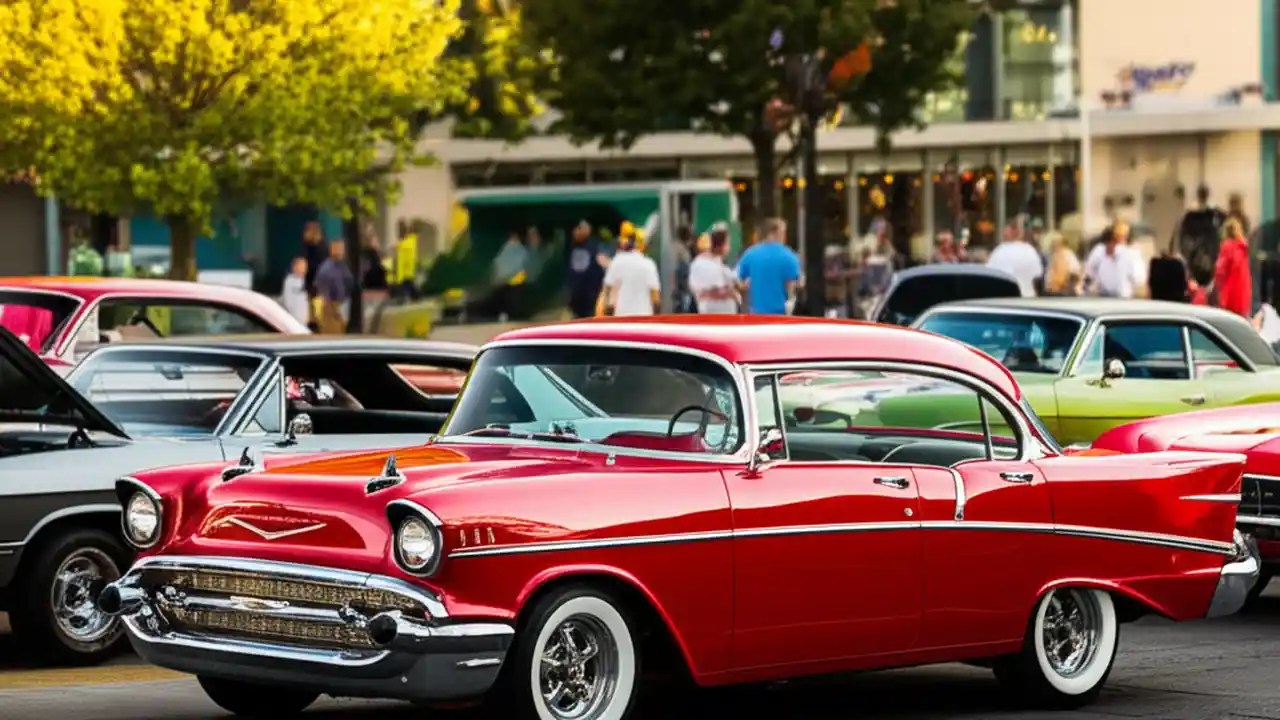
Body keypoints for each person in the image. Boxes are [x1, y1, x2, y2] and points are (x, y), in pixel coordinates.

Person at [737, 218, 801, 315]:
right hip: (780, 314)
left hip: (755, 314)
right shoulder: (789, 256)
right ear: (775, 233)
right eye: (783, 233)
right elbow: (791, 287)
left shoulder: (749, 255)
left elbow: (739, 283)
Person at [598, 224, 660, 316]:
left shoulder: (617, 261)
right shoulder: (649, 264)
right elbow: (655, 299)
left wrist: (607, 311)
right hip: (644, 317)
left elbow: (607, 289)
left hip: (621, 317)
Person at [1083, 224, 1143, 298]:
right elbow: (1089, 272)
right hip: (1103, 295)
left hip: (1123, 297)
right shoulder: (1099, 251)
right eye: (1110, 241)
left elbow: (1139, 278)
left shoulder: (1131, 254)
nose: (1112, 245)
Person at [986, 222, 1044, 297]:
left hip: (1006, 298)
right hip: (1028, 297)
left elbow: (990, 275)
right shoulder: (1030, 250)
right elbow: (1038, 276)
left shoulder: (1000, 251)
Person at [688, 230, 738, 314]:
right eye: (727, 244)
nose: (729, 247)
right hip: (718, 312)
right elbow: (718, 287)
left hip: (708, 309)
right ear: (720, 245)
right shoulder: (707, 264)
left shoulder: (702, 262)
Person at [1213, 217, 1253, 317]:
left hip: (1229, 299)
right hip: (1243, 299)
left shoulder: (1226, 248)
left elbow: (1220, 273)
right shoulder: (1243, 249)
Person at [566, 221, 606, 319]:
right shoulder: (571, 247)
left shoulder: (595, 247)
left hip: (590, 296)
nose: (577, 232)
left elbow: (603, 263)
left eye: (580, 229)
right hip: (575, 297)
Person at [313, 240, 354, 333]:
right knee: (332, 334)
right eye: (338, 249)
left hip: (342, 304)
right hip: (331, 306)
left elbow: (348, 281)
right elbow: (320, 286)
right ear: (332, 250)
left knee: (341, 331)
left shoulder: (343, 266)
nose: (341, 252)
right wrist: (330, 305)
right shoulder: (326, 268)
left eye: (342, 249)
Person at [490, 231, 528, 321]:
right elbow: (499, 262)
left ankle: (509, 314)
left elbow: (500, 263)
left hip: (514, 280)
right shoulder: (509, 249)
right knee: (507, 298)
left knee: (510, 298)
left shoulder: (518, 250)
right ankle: (509, 314)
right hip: (510, 280)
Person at [1042, 231, 1082, 296]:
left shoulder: (1061, 255)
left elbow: (1058, 282)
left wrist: (1050, 289)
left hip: (1062, 295)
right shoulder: (1066, 254)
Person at [280, 257, 310, 325]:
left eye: (304, 267)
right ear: (294, 267)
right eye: (301, 267)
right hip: (292, 319)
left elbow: (306, 301)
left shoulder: (306, 280)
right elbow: (287, 300)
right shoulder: (289, 280)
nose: (303, 269)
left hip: (303, 320)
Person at [672, 225, 695, 313]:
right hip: (681, 288)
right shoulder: (684, 252)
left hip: (676, 287)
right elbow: (684, 273)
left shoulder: (674, 247)